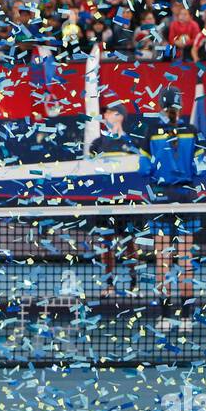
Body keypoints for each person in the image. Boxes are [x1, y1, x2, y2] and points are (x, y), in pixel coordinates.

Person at [136, 87, 205, 330]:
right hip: (186, 197)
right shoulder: (192, 131)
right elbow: (201, 168)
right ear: (179, 105)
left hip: (161, 199)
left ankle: (165, 316)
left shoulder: (151, 132)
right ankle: (186, 316)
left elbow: (143, 169)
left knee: (162, 260)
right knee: (186, 260)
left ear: (160, 105)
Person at [88, 102, 141, 298]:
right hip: (104, 202)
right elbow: (91, 173)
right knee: (106, 244)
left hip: (125, 202)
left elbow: (137, 173)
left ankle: (134, 284)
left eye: (110, 112)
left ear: (119, 116)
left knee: (129, 243)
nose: (106, 115)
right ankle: (109, 284)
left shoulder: (131, 144)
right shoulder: (97, 144)